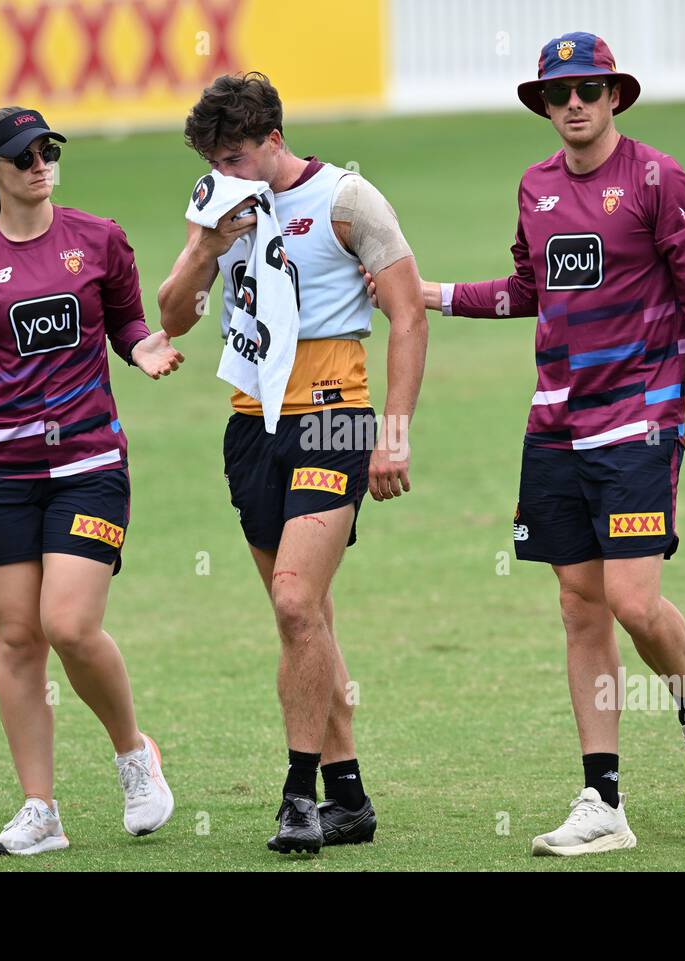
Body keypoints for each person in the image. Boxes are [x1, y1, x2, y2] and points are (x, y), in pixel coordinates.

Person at [364, 33, 685, 856]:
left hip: (640, 420)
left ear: (614, 97)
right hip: (556, 426)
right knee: (578, 605)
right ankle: (602, 799)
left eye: (590, 90)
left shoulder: (657, 178)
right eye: (559, 92)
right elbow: (530, 292)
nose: (574, 103)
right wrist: (430, 294)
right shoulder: (535, 187)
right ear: (544, 103)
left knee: (633, 602)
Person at [0, 106, 183, 855]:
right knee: (18, 638)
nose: (39, 164)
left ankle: (133, 756)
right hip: (2, 472)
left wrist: (142, 351)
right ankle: (40, 810)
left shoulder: (100, 239)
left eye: (47, 150)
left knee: (69, 624)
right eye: (22, 156)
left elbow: (126, 323)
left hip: (88, 463)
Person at [158, 73, 428, 853]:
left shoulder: (348, 200)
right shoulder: (215, 201)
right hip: (252, 426)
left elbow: (408, 315)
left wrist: (394, 430)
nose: (226, 172)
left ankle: (297, 797)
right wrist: (205, 246)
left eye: (238, 157)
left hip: (336, 417)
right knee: (307, 619)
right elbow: (174, 317)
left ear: (274, 140)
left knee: (291, 603)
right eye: (215, 160)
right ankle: (349, 797)